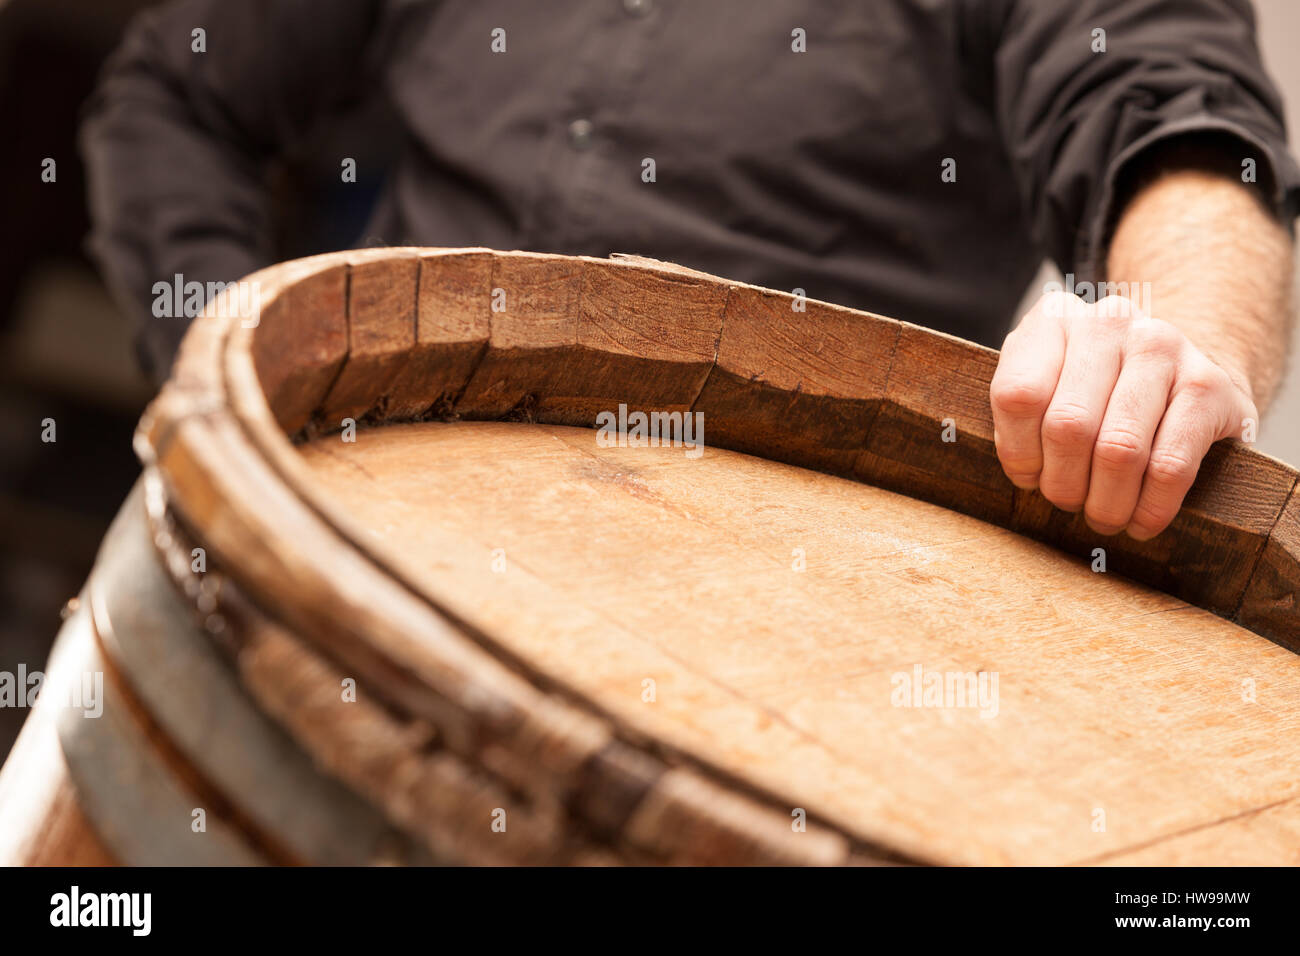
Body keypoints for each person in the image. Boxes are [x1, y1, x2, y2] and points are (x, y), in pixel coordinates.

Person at [81, 0, 1299, 540]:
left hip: (758, 612)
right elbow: (179, 95)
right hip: (330, 500)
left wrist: (1175, 340)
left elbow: (1179, 134)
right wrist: (232, 385)